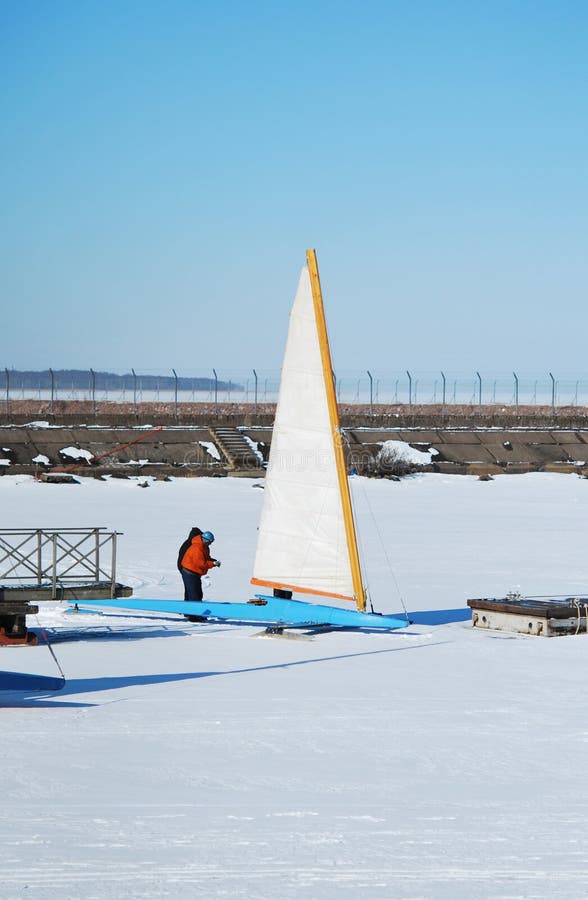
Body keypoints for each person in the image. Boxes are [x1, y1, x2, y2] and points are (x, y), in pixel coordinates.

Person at [177, 528, 220, 613]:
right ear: (206, 540)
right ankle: (194, 616)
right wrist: (213, 564)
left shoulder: (204, 546)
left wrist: (213, 561)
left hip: (194, 573)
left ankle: (191, 613)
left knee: (197, 594)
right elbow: (201, 564)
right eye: (210, 542)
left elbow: (205, 558)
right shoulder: (197, 548)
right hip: (189, 573)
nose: (211, 544)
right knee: (194, 596)